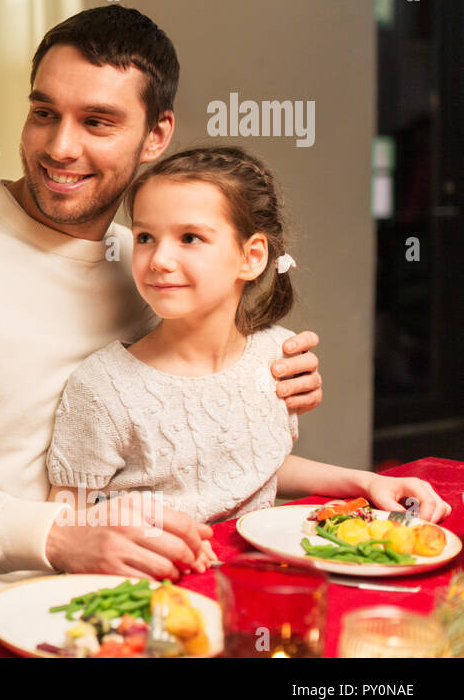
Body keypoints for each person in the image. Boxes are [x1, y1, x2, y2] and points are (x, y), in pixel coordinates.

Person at [0, 5, 327, 638]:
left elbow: (184, 425)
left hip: (111, 611)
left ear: (156, 135)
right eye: (44, 113)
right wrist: (58, 537)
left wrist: (271, 372)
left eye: (97, 121)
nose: (61, 147)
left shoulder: (144, 267)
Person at [45, 146, 448, 567]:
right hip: (153, 588)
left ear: (252, 257)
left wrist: (366, 483)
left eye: (190, 238)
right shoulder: (102, 387)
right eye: (145, 237)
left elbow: (252, 467)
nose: (159, 260)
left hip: (255, 578)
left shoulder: (278, 356)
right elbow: (68, 521)